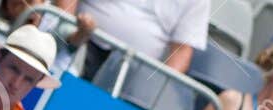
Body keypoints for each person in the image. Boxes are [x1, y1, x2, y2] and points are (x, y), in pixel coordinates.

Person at [78, 0, 206, 77]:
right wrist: (67, 29)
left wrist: (155, 87)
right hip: (79, 43)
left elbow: (181, 50)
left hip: (138, 72)